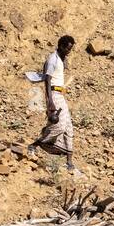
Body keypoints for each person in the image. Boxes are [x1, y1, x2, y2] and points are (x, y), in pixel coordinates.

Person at [26, 35, 79, 175]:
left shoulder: (61, 59)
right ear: (60, 46)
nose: (69, 51)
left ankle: (69, 162)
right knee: (59, 125)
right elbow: (47, 80)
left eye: (70, 49)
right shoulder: (53, 59)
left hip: (60, 94)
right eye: (67, 48)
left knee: (68, 127)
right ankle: (35, 145)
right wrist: (49, 101)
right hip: (54, 95)